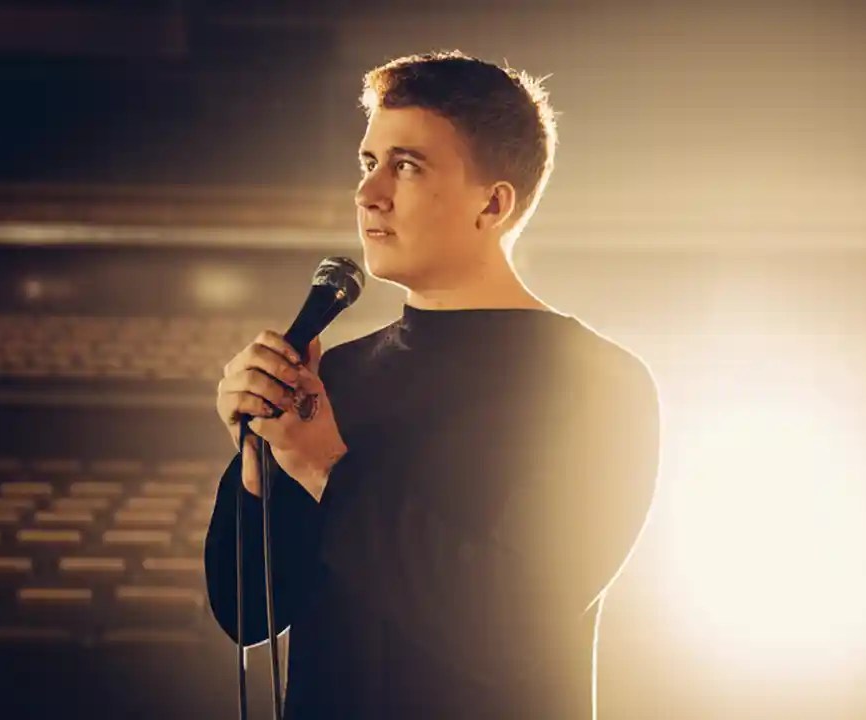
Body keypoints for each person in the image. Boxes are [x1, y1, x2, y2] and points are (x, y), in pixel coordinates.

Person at [204, 50, 661, 719]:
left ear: (493, 203)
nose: (368, 194)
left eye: (407, 166)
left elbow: (512, 628)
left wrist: (326, 471)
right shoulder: (336, 378)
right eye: (368, 163)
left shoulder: (601, 384)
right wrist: (258, 467)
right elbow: (246, 616)